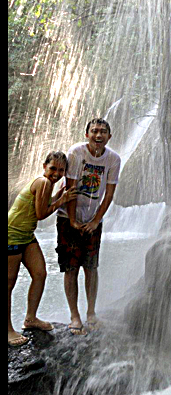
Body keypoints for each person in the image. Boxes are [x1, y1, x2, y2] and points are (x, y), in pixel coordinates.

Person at [56, 117, 120, 334]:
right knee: (71, 267)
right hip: (68, 217)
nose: (98, 135)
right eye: (94, 131)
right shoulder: (76, 152)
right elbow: (71, 188)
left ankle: (91, 313)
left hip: (93, 219)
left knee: (91, 267)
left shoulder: (113, 159)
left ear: (109, 137)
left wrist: (95, 221)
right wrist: (73, 219)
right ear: (87, 134)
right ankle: (74, 316)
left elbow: (109, 194)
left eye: (103, 132)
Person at [8, 152, 78, 346]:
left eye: (61, 170)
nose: (56, 173)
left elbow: (44, 204)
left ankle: (30, 319)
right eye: (53, 168)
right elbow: (41, 214)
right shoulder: (43, 182)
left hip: (26, 235)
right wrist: (62, 200)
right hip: (11, 234)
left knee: (40, 274)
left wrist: (59, 195)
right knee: (9, 284)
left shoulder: (48, 185)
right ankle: (8, 330)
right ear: (44, 167)